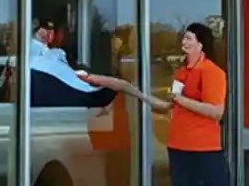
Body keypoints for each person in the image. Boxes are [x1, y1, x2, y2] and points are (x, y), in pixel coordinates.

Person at [81, 22, 228, 185]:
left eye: (188, 38)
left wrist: (182, 101)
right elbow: (167, 106)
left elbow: (216, 112)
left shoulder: (212, 72)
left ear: (200, 44)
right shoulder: (181, 73)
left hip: (204, 149)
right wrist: (127, 88)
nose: (183, 42)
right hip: (178, 148)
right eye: (183, 38)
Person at [29, 18, 116, 109]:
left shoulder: (58, 54)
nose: (47, 34)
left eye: (51, 30)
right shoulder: (37, 54)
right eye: (44, 30)